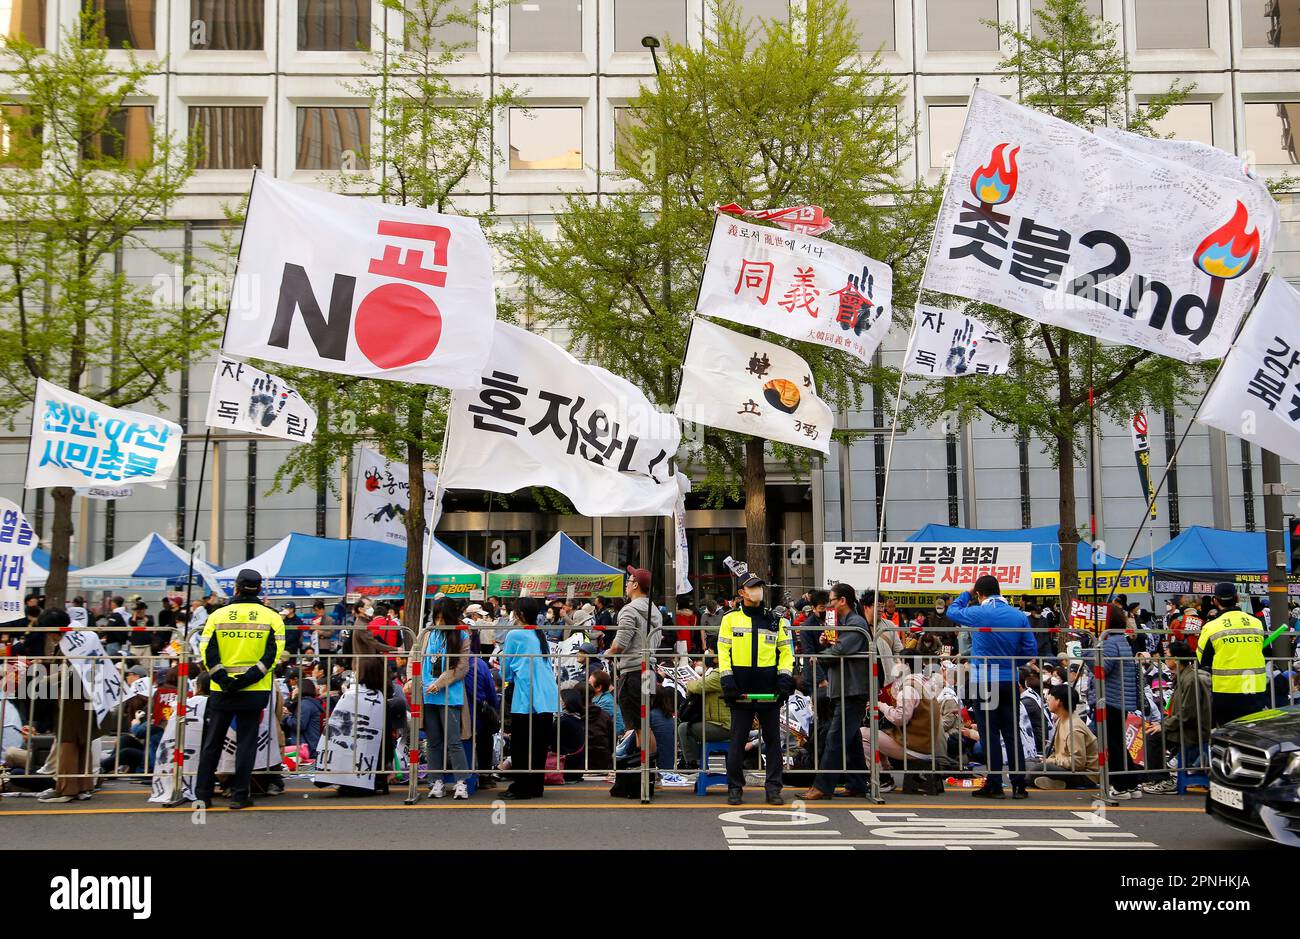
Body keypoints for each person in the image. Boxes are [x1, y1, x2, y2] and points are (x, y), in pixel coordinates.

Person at [192, 569, 286, 810]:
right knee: (246, 743)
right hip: (255, 689)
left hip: (221, 689)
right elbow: (273, 655)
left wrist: (224, 678)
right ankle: (240, 795)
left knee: (213, 741)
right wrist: (248, 678)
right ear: (260, 589)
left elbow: (206, 651)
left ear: (236, 587)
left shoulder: (217, 615)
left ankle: (202, 794)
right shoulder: (272, 617)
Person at [943, 574, 1037, 799]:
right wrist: (1011, 660)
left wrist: (966, 593)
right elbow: (1030, 650)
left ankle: (995, 784)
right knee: (1011, 732)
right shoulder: (1017, 615)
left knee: (989, 734)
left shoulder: (980, 612)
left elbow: (952, 611)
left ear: (979, 594)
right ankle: (1018, 785)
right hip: (1009, 678)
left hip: (984, 679)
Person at [718, 567, 793, 806]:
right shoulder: (730, 619)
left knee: (772, 740)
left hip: (769, 689)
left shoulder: (776, 620)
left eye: (759, 587)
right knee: (737, 740)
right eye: (751, 587)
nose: (757, 591)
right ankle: (735, 788)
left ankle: (773, 789)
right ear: (741, 592)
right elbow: (723, 652)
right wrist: (727, 680)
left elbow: (786, 652)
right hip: (740, 689)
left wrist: (784, 679)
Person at [803, 584, 871, 800]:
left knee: (835, 738)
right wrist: (826, 642)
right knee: (851, 739)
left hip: (853, 690)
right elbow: (837, 647)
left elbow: (840, 650)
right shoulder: (844, 624)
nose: (829, 605)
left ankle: (822, 786)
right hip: (844, 688)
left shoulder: (856, 623)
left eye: (831, 600)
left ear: (842, 601)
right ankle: (858, 783)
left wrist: (820, 655)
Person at [500, 597, 559, 800]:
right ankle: (535, 786)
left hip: (527, 696)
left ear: (520, 614)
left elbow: (505, 669)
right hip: (546, 696)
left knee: (522, 745)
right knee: (539, 745)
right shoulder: (538, 633)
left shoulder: (516, 634)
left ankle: (522, 786)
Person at [1139, 639, 1213, 794]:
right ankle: (1157, 777)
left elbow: (1187, 713)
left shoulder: (1190, 680)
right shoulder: (1183, 677)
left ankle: (1164, 780)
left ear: (1177, 659)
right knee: (1151, 732)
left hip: (1192, 731)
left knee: (1154, 737)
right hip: (1183, 727)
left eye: (1168, 655)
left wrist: (1163, 725)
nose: (1165, 658)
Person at [608, 566, 663, 768]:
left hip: (633, 672)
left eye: (629, 580)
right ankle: (648, 770)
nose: (626, 584)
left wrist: (606, 653)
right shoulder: (655, 610)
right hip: (648, 670)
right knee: (644, 723)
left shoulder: (629, 610)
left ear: (636, 585)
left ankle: (645, 771)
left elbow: (619, 644)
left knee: (639, 725)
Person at [1197, 582, 1268, 726]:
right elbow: (1266, 652)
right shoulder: (1256, 623)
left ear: (1215, 601)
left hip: (1226, 691)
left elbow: (1202, 659)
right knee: (1253, 735)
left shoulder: (1211, 627)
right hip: (1256, 689)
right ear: (1237, 598)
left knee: (1229, 736)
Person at [423, 597, 471, 800]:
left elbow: (461, 667)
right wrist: (411, 679)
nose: (439, 623)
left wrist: (440, 683)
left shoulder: (461, 635)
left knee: (453, 741)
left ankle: (461, 782)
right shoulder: (427, 634)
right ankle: (437, 781)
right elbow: (414, 658)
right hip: (427, 694)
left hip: (450, 695)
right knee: (433, 741)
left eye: (443, 619)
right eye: (437, 618)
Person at [1029, 684, 1100, 790]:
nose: (1047, 699)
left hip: (1085, 775)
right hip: (1065, 767)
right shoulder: (1062, 720)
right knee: (1028, 763)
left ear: (1058, 702)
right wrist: (1048, 760)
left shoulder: (1073, 728)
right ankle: (1057, 783)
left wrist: (1051, 761)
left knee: (1035, 770)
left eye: (1050, 696)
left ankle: (1029, 780)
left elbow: (1078, 763)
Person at [677, 653, 730, 768]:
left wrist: (689, 684)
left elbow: (697, 686)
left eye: (709, 651)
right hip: (721, 723)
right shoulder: (723, 672)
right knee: (688, 726)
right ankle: (694, 762)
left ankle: (694, 764)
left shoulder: (719, 675)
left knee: (684, 728)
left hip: (724, 726)